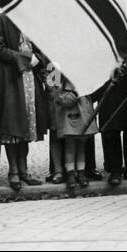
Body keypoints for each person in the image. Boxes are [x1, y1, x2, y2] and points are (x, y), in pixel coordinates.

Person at [0, 6, 44, 191]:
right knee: (12, 126)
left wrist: (37, 56)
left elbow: (40, 46)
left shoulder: (28, 17)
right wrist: (25, 58)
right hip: (11, 79)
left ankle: (23, 170)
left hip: (29, 79)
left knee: (28, 124)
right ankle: (13, 171)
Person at [45, 61, 96, 195]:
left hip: (82, 104)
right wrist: (60, 94)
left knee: (81, 143)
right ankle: (69, 173)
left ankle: (81, 171)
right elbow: (52, 83)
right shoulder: (55, 63)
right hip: (66, 107)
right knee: (70, 143)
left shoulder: (81, 61)